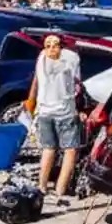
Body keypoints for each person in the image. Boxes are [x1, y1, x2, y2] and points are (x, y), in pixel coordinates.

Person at [27, 34, 82, 205]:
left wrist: (31, 102)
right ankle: (60, 189)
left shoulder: (41, 59)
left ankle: (42, 187)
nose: (52, 48)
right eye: (49, 45)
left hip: (44, 111)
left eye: (55, 45)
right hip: (64, 112)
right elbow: (77, 84)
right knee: (70, 150)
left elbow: (36, 82)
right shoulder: (70, 61)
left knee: (49, 149)